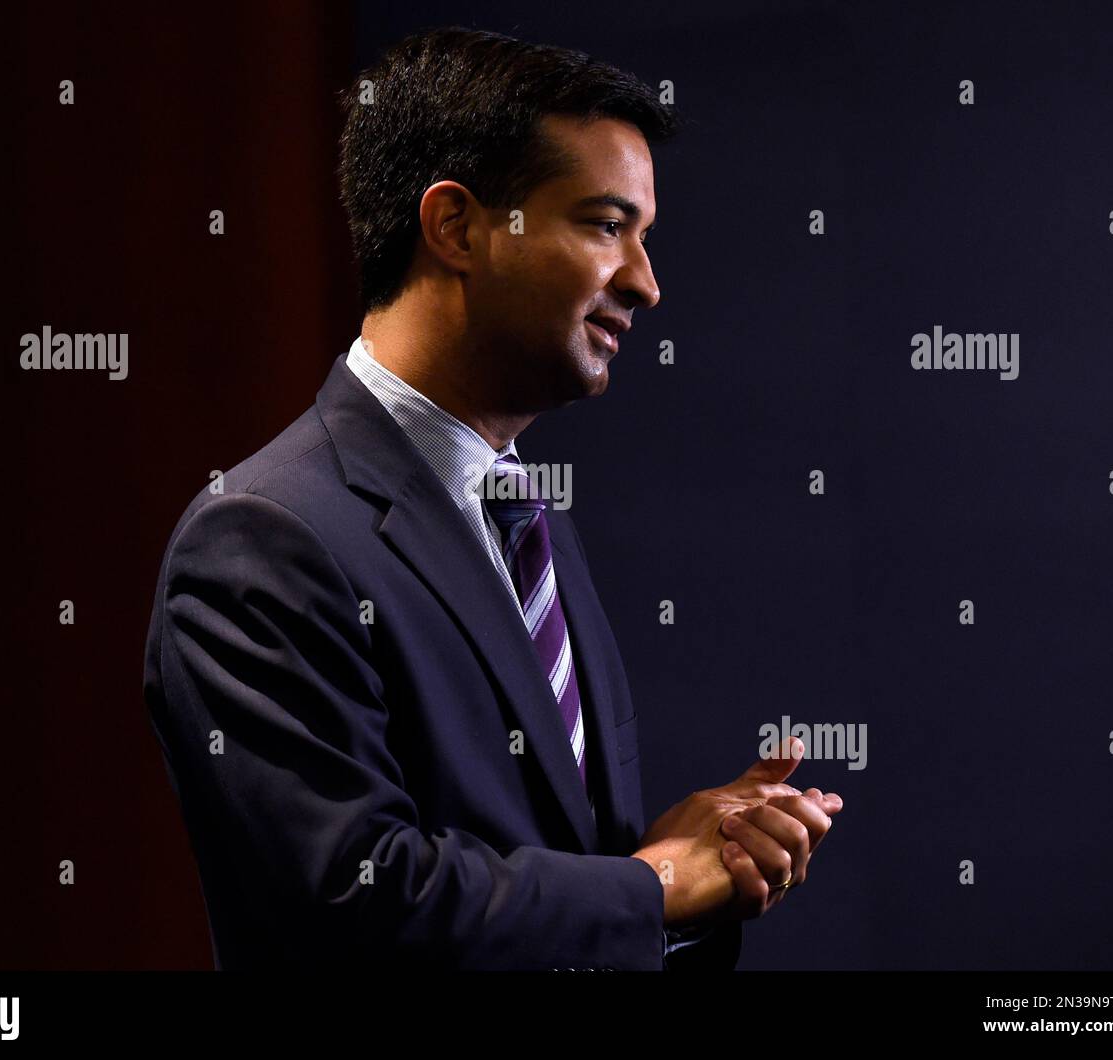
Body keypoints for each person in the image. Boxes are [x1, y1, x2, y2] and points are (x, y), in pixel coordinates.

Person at [142, 26, 843, 970]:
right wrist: (657, 887)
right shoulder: (261, 539)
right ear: (457, 227)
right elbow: (358, 898)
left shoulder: (524, 515)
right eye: (605, 225)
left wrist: (685, 866)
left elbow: (560, 879)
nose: (646, 282)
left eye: (645, 236)